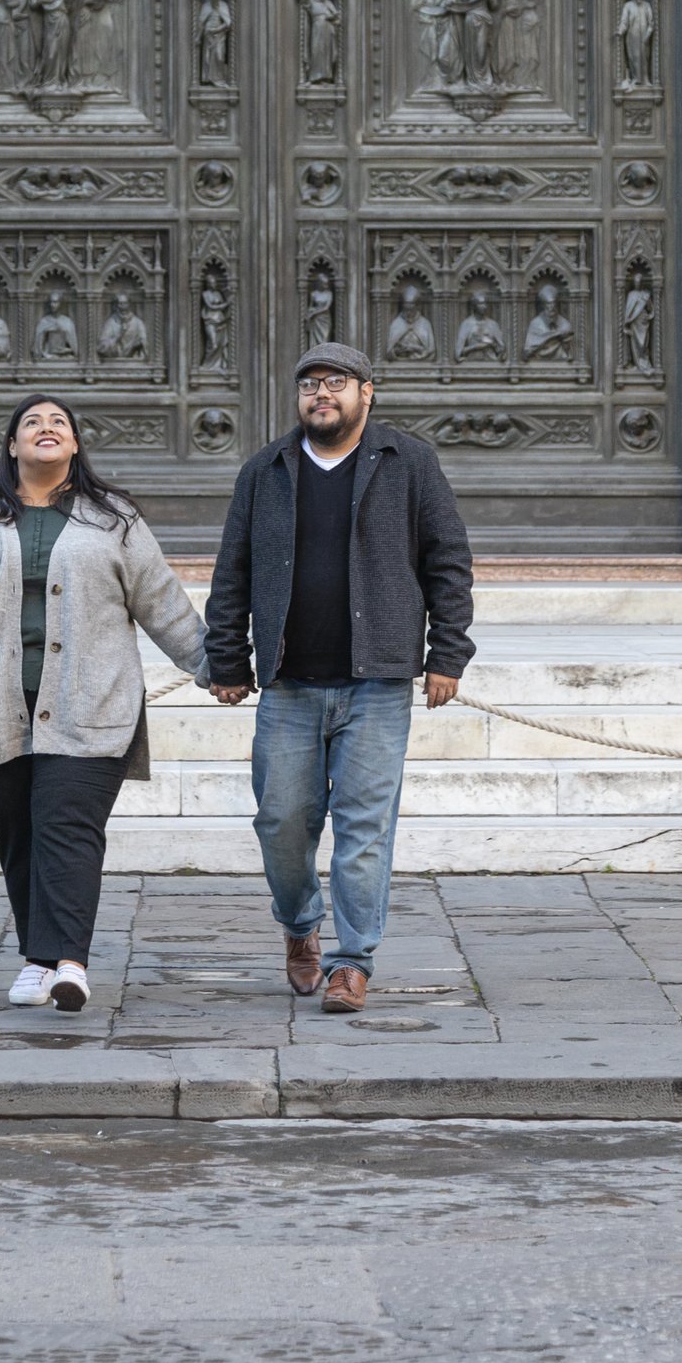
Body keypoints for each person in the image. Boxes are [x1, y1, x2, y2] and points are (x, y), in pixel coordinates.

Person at [0, 397, 207, 1013]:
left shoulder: (113, 518)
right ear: (12, 445)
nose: (46, 429)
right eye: (31, 423)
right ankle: (40, 958)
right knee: (18, 835)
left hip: (91, 702)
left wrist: (217, 667)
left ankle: (64, 963)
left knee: (68, 828)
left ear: (74, 444)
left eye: (58, 424)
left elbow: (161, 601)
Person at [204, 346, 475, 1014]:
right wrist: (228, 659)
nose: (320, 394)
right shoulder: (265, 470)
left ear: (366, 393)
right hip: (289, 686)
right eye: (309, 384)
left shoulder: (408, 462)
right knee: (280, 822)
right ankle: (300, 925)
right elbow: (233, 570)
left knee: (364, 828)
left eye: (335, 382)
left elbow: (447, 560)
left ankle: (352, 962)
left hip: (376, 683)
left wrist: (447, 654)